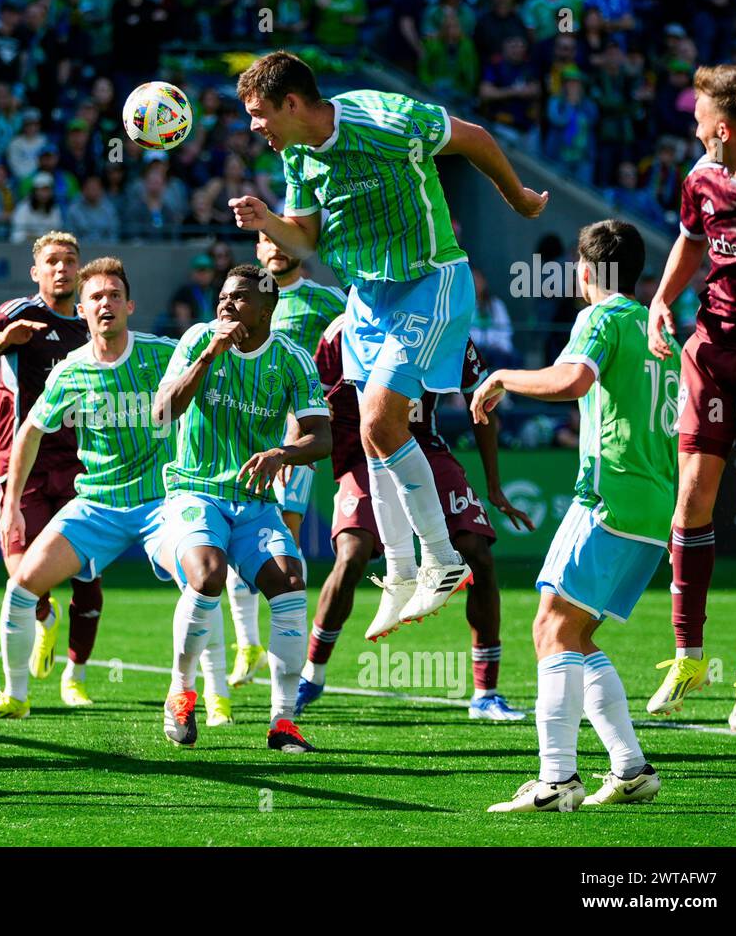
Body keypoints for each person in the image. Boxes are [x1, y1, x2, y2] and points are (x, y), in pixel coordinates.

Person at [229, 50, 547, 632]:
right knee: (373, 435)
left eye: (259, 113)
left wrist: (518, 198)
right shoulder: (297, 154)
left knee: (378, 420)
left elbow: (472, 137)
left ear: (293, 103)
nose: (254, 127)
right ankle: (401, 570)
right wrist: (266, 222)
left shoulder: (385, 118)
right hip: (367, 298)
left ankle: (442, 561)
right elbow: (303, 242)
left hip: (429, 281)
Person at [478, 220, 676, 810]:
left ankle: (557, 779)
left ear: (586, 271)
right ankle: (631, 768)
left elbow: (572, 379)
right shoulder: (660, 325)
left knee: (549, 628)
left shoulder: (603, 317)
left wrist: (503, 377)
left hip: (609, 495)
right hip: (653, 505)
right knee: (576, 633)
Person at [0, 257, 178, 720]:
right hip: (58, 483)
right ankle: (17, 692)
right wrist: (9, 506)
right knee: (21, 581)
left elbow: (209, 377)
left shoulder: (157, 352)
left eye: (113, 295)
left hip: (130, 492)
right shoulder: (34, 330)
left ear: (129, 304)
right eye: (97, 296)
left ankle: (82, 677)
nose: (105, 303)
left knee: (182, 580)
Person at [298, 314, 532, 720]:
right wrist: (297, 452)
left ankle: (486, 693)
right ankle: (311, 674)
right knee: (353, 553)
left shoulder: (444, 324)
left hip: (424, 445)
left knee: (477, 552)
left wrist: (494, 486)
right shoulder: (342, 331)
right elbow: (314, 407)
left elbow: (483, 402)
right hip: (361, 454)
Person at [152, 264, 332, 751]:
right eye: (223, 297)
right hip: (195, 489)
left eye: (239, 298)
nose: (225, 305)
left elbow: (323, 436)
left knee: (291, 584)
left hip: (254, 501)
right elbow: (162, 411)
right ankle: (181, 691)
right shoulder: (197, 340)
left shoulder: (292, 360)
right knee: (207, 575)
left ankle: (283, 720)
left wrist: (284, 454)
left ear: (268, 307)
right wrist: (209, 355)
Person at [645, 65, 736, 732]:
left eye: (697, 122)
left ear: (724, 130)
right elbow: (691, 242)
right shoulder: (701, 177)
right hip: (712, 349)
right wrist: (661, 300)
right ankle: (688, 657)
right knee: (692, 499)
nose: (691, 131)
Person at [0, 232, 104, 707]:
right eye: (52, 262)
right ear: (36, 272)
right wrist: (2, 341)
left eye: (70, 261)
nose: (62, 269)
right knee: (20, 574)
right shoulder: (19, 313)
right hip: (22, 462)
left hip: (83, 466)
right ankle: (43, 617)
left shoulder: (92, 322)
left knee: (88, 578)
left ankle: (74, 678)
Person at [213, 232, 347, 696]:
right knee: (231, 529)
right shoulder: (239, 301)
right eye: (266, 239)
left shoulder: (328, 300)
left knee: (281, 534)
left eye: (283, 238)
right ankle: (248, 642)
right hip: (239, 433)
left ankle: (287, 643)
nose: (275, 248)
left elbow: (351, 356)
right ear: (256, 250)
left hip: (297, 437)